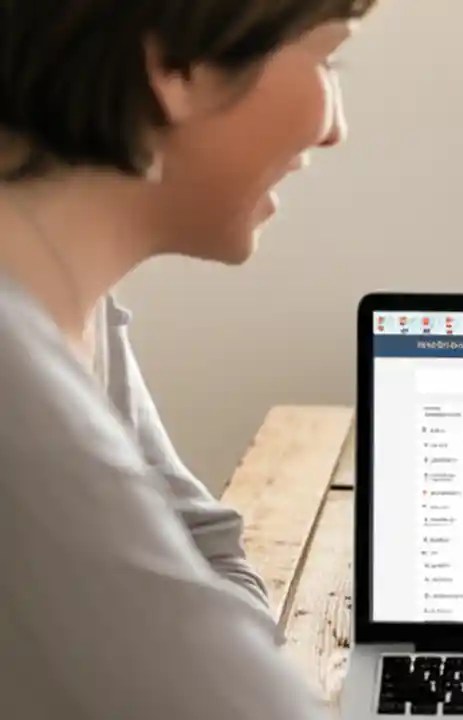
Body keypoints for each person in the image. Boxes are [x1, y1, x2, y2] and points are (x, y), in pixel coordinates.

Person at [0, 1, 373, 717]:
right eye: (328, 59)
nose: (334, 128)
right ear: (173, 64)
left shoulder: (76, 303)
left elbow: (204, 549)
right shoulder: (15, 398)